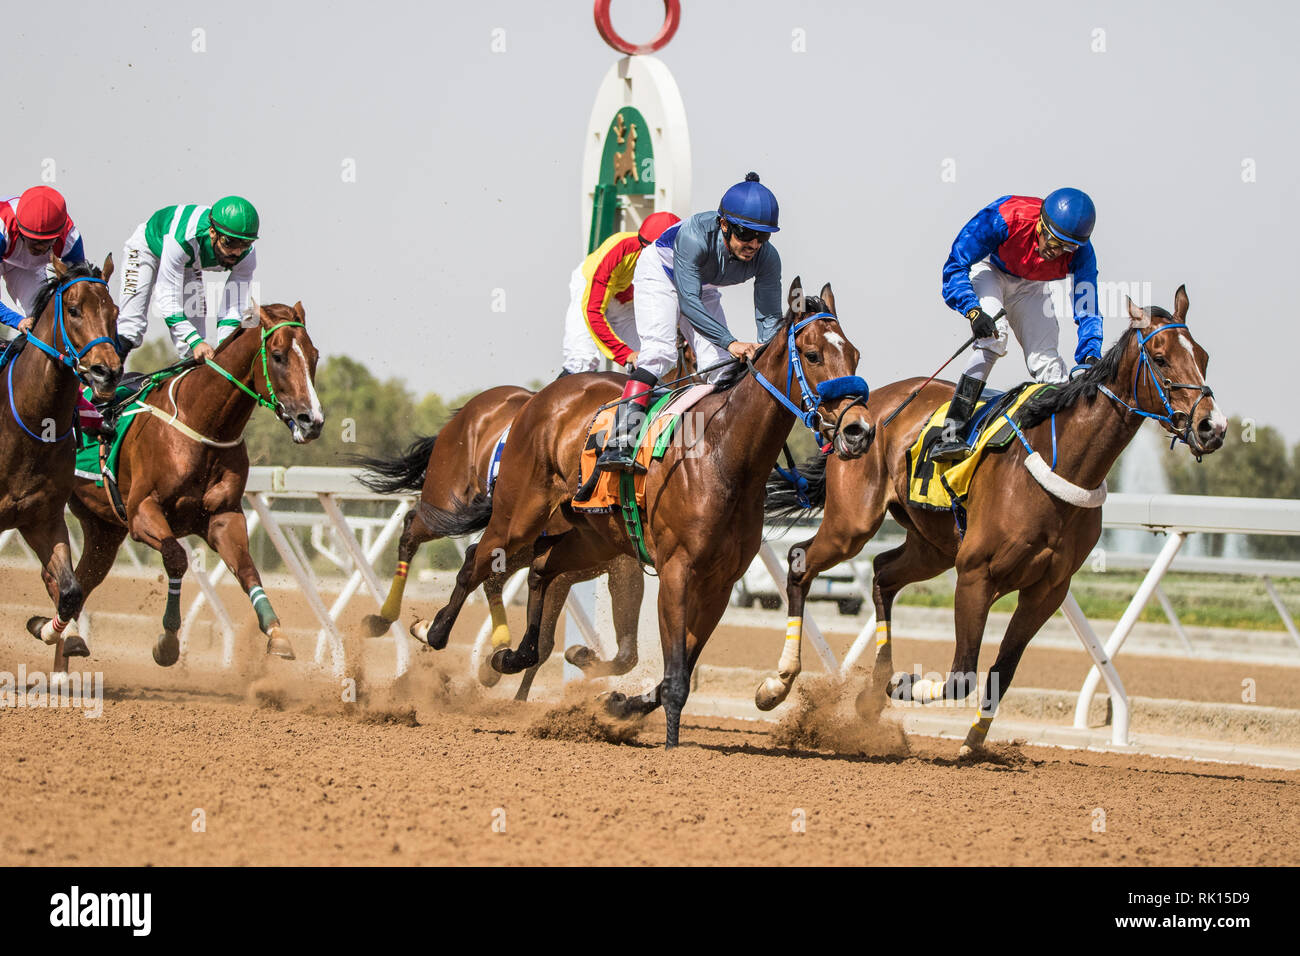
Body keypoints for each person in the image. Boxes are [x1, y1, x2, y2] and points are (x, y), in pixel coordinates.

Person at [593, 172, 781, 474]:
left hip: (702, 285)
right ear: (724, 225)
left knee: (720, 367)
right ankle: (620, 440)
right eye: (746, 234)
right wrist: (732, 342)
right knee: (660, 353)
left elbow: (770, 318)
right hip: (661, 273)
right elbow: (689, 304)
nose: (754, 244)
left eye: (764, 236)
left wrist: (770, 353)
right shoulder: (694, 236)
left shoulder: (768, 259)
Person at [931, 188, 1102, 461]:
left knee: (1048, 363)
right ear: (1040, 224)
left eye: (1068, 248)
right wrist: (973, 310)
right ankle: (951, 433)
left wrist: (1091, 353)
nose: (1057, 253)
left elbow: (1087, 305)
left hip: (1032, 287)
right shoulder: (1006, 217)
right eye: (1055, 242)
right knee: (993, 340)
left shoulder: (1081, 254)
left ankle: (1065, 446)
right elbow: (955, 265)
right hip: (990, 270)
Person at [115, 197, 260, 361]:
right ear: (212, 232)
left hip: (188, 263)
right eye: (229, 242)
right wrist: (195, 341)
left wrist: (224, 350)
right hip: (147, 249)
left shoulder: (247, 257)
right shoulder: (182, 239)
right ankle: (98, 382)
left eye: (245, 244)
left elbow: (234, 308)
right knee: (131, 329)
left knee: (193, 350)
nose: (236, 252)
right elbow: (167, 300)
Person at [561, 211, 680, 375]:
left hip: (622, 294)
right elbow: (593, 310)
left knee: (651, 356)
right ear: (644, 247)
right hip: (590, 287)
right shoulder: (617, 251)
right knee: (582, 361)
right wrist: (625, 355)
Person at [0, 186, 87, 334]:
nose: (38, 248)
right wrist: (17, 321)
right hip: (4, 252)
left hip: (27, 268)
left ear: (58, 235)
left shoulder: (70, 239)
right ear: (20, 228)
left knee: (42, 320)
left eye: (45, 242)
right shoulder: (3, 226)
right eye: (33, 240)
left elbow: (79, 291)